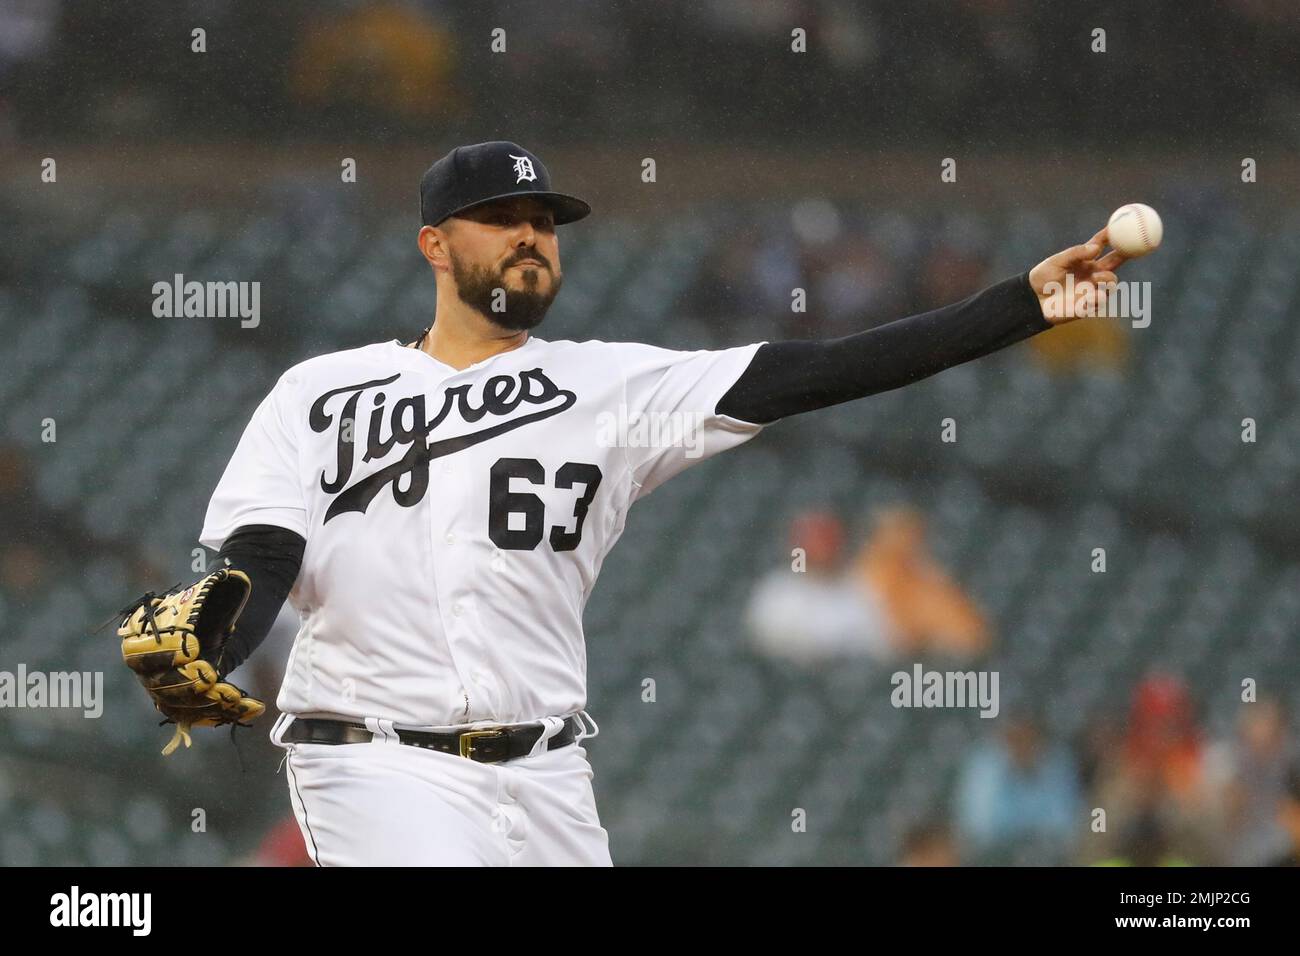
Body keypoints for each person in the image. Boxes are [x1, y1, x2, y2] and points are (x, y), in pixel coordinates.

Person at [119, 140, 1132, 866]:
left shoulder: (609, 386)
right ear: (434, 244)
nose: (531, 236)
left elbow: (814, 370)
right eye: (503, 220)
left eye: (544, 223)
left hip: (550, 770)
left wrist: (1021, 304)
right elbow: (260, 557)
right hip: (375, 761)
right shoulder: (322, 392)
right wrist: (219, 628)